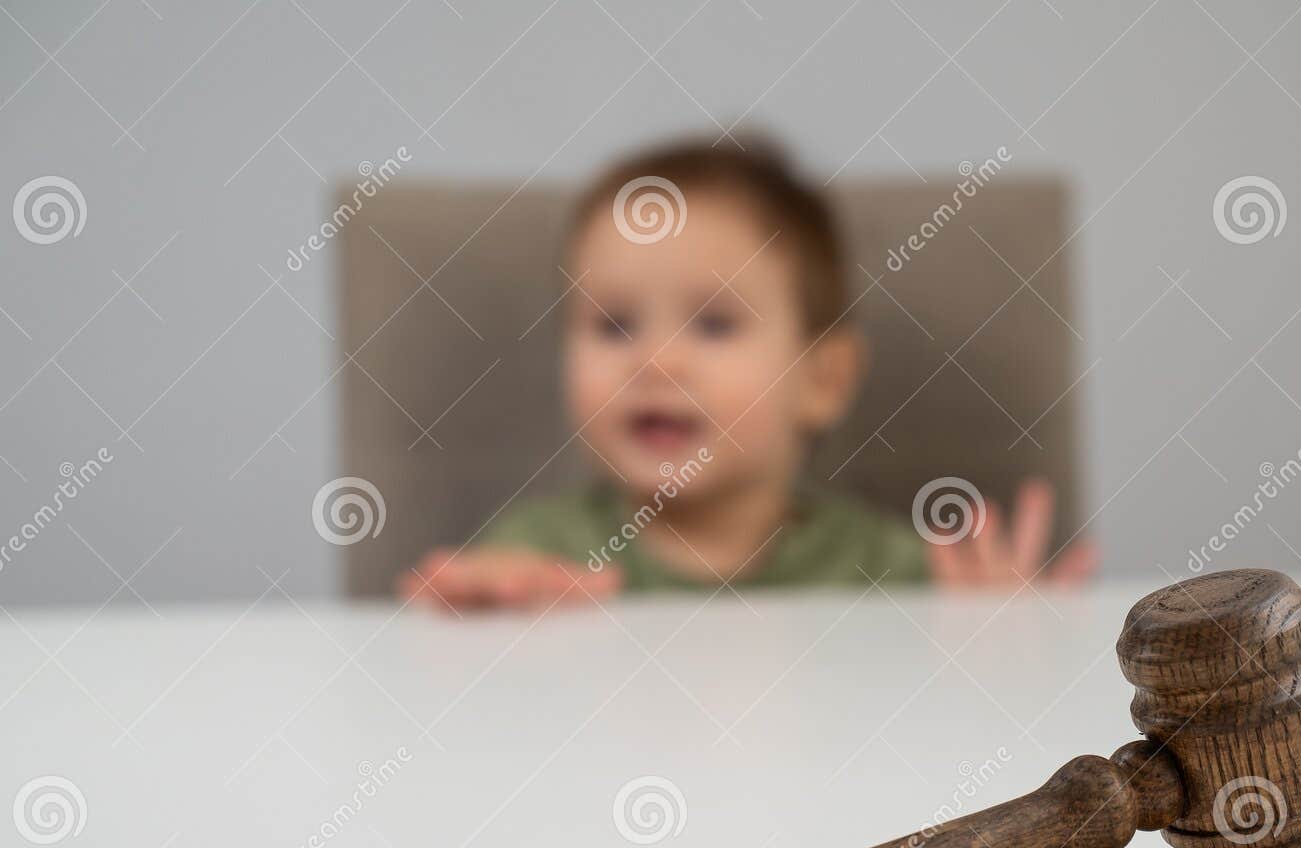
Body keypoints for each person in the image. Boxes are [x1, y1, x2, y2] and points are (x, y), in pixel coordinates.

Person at [397, 138, 1096, 610]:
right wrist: (471, 615)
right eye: (613, 326)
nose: (654, 361)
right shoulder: (544, 556)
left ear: (822, 381)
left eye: (713, 323)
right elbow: (417, 670)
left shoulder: (892, 574)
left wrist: (1004, 645)